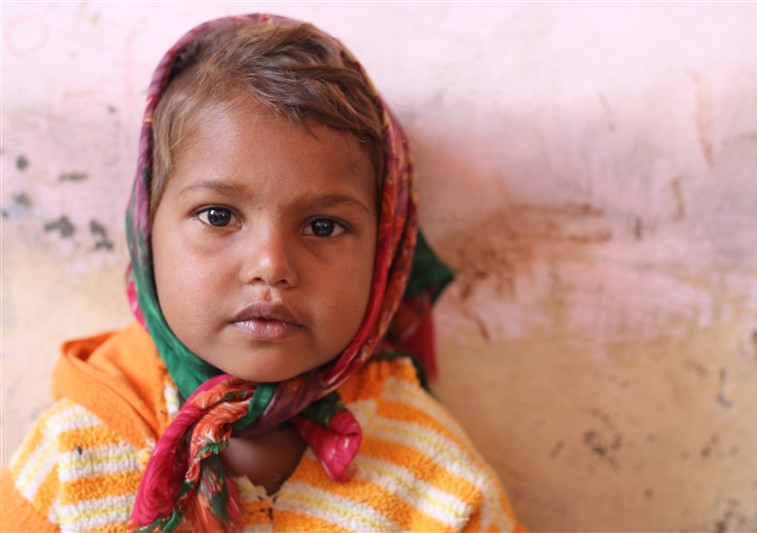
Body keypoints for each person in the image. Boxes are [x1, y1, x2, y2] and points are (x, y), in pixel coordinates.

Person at [1, 13, 522, 532]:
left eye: (322, 226)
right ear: (145, 233)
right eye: (218, 216)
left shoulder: (442, 490)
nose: (272, 265)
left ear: (385, 252)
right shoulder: (71, 460)